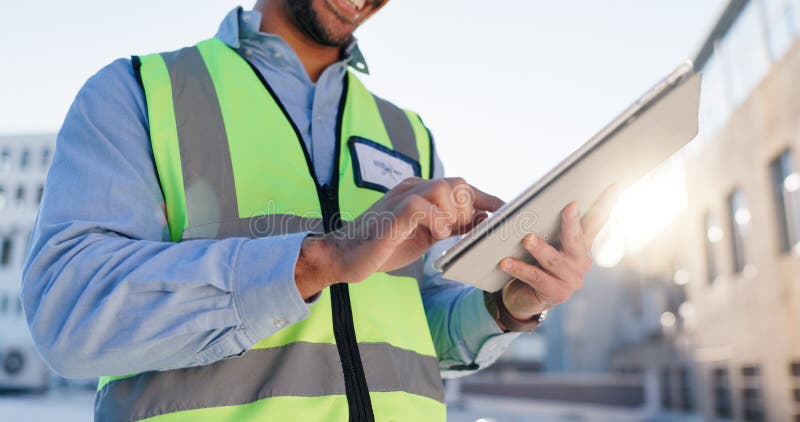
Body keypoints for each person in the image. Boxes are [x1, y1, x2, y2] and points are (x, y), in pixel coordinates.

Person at [22, 1, 615, 420]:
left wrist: (510, 304)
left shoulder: (409, 133)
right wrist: (319, 262)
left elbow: (417, 330)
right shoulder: (140, 92)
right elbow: (68, 312)